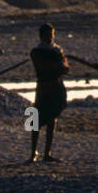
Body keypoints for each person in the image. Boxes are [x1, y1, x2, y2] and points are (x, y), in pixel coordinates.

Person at [28, 23, 68, 162]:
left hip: (57, 87)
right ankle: (33, 153)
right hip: (43, 88)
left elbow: (65, 68)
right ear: (41, 36)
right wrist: (58, 66)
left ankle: (47, 153)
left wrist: (60, 66)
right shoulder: (36, 51)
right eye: (47, 35)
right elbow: (43, 67)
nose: (50, 38)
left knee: (52, 120)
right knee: (34, 119)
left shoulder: (57, 50)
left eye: (51, 35)